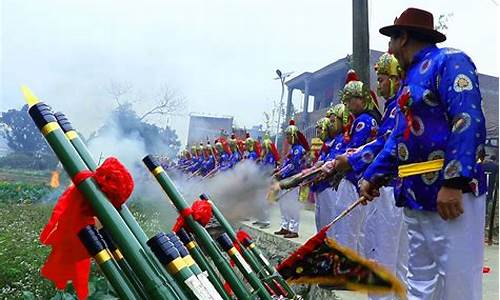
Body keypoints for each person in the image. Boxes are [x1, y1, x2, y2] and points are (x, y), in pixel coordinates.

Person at [359, 8, 487, 300]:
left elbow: (467, 120)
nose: (389, 50)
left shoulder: (450, 61)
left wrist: (453, 183)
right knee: (420, 283)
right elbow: (399, 137)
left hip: (450, 196)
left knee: (458, 286)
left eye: (391, 42)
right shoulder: (410, 78)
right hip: (415, 195)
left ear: (403, 38)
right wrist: (372, 177)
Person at [328, 72, 380, 254]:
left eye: (351, 99)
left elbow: (355, 150)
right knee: (352, 231)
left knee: (348, 230)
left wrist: (334, 163)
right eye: (347, 100)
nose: (348, 104)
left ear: (362, 99)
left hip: (354, 179)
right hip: (355, 179)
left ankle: (346, 275)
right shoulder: (359, 120)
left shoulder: (364, 121)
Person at [273, 120, 309, 238]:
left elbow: (293, 166)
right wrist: (279, 171)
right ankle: (285, 226)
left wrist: (281, 173)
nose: (287, 138)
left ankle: (293, 229)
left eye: (288, 135)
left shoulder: (298, 149)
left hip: (293, 180)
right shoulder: (293, 149)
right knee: (284, 204)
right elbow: (286, 164)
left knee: (292, 205)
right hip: (286, 180)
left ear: (294, 136)